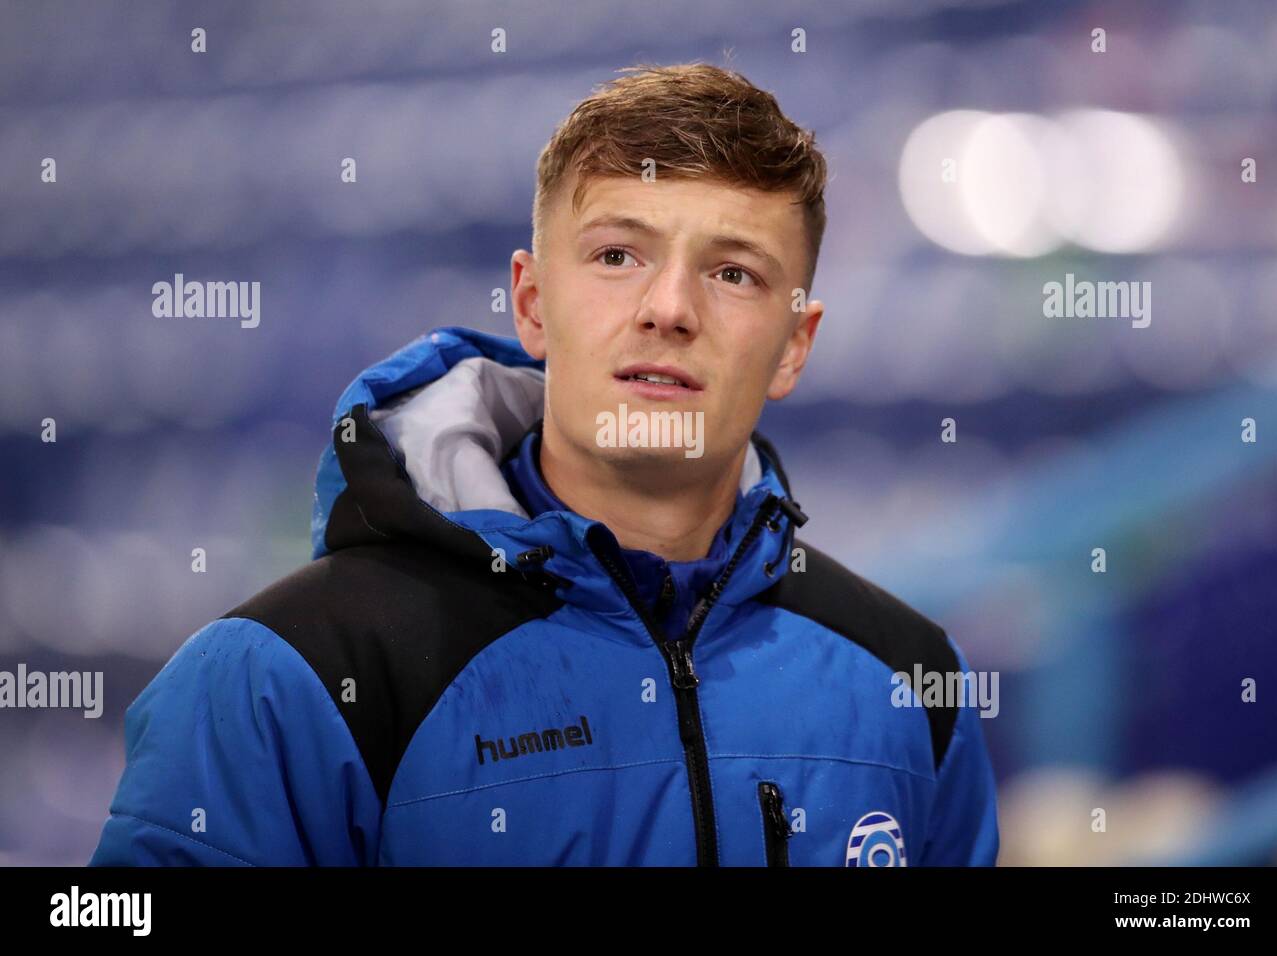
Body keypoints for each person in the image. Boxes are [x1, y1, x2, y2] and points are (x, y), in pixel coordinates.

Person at [90, 62, 998, 866]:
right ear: (531, 304)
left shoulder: (913, 681)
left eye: (734, 274)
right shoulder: (284, 678)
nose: (669, 308)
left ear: (795, 346)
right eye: (616, 255)